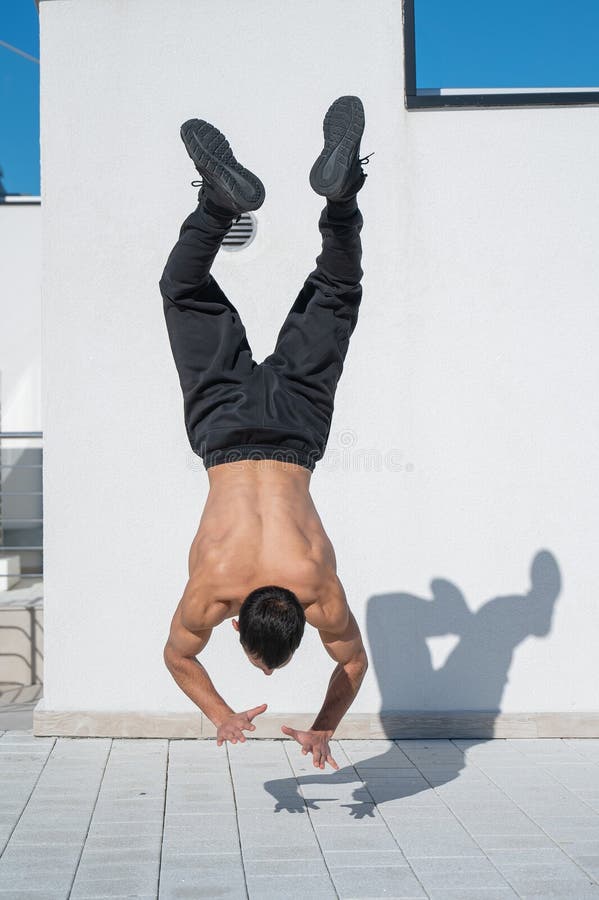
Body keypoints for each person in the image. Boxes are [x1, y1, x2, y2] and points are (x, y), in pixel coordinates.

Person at [159, 96, 373, 771]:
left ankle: (340, 200)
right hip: (222, 427)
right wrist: (220, 713)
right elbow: (177, 655)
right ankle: (218, 206)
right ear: (238, 622)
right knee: (183, 289)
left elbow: (354, 661)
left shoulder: (318, 592)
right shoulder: (211, 592)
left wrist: (324, 725)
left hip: (296, 430)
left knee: (336, 292)